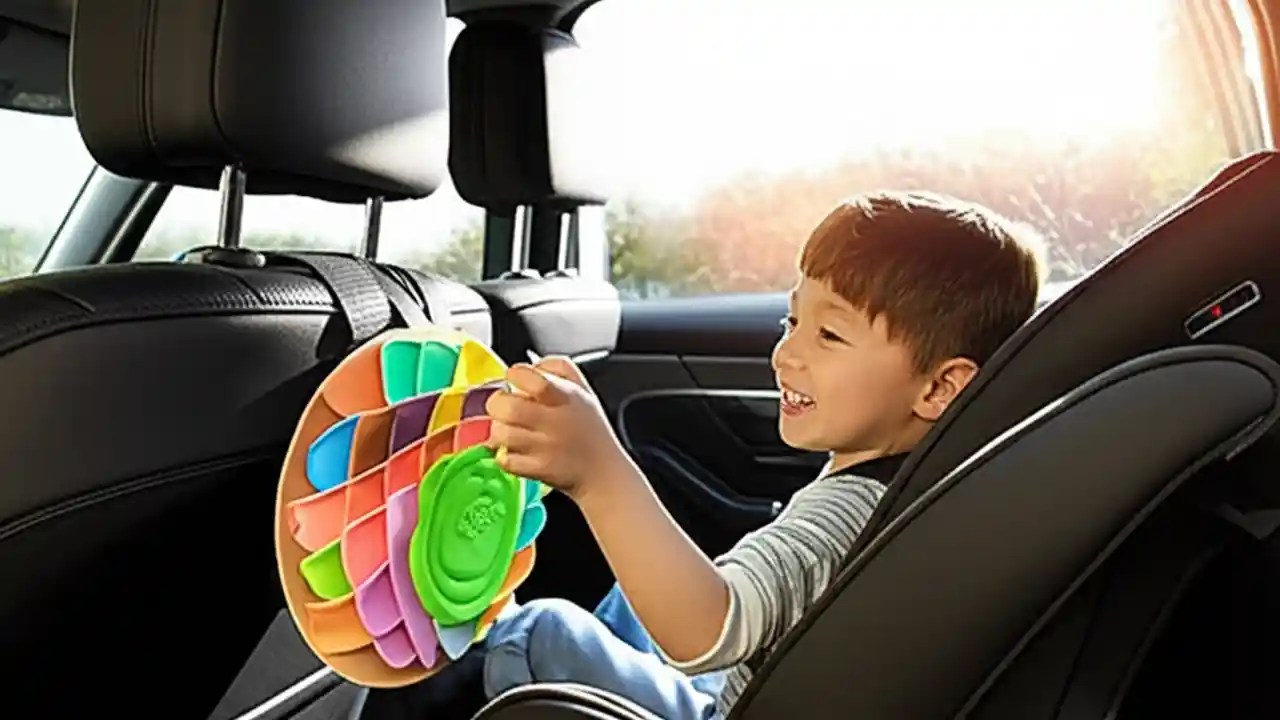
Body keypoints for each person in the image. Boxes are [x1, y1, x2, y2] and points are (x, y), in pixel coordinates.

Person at [479, 190, 1045, 719]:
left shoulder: (846, 514)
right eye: (792, 321)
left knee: (537, 632)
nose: (784, 354)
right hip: (759, 679)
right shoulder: (916, 479)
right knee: (630, 602)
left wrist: (597, 473)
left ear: (939, 388)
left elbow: (706, 632)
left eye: (829, 336)